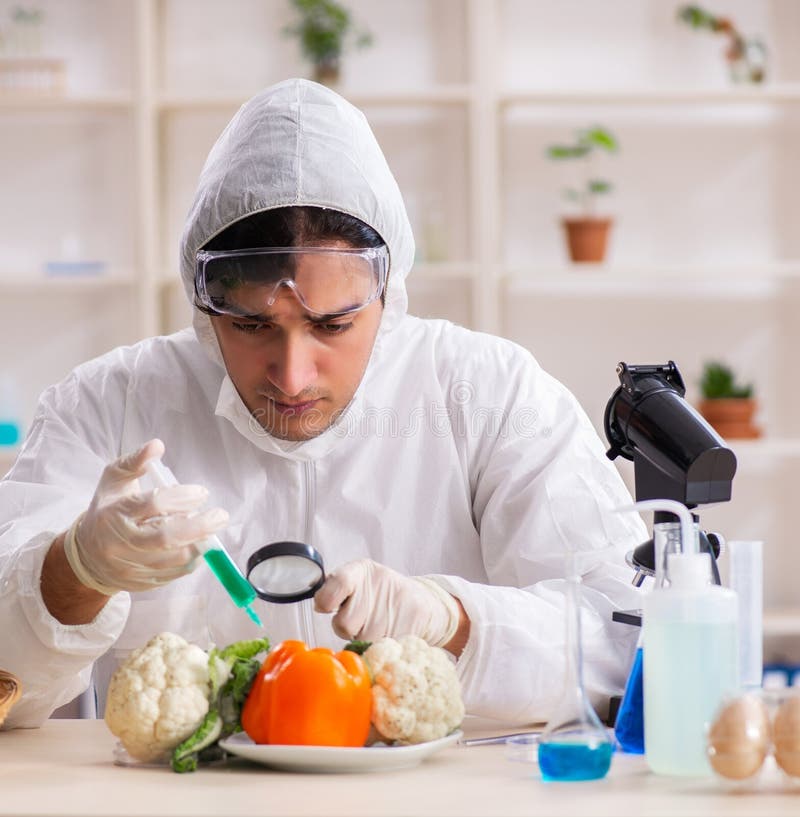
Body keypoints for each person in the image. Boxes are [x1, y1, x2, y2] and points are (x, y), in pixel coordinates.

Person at [0, 78, 646, 729]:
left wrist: (450, 617)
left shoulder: (491, 393)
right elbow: (6, 689)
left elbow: (624, 643)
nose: (292, 372)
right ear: (204, 306)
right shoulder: (105, 405)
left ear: (387, 296)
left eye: (333, 324)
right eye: (252, 324)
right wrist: (71, 573)